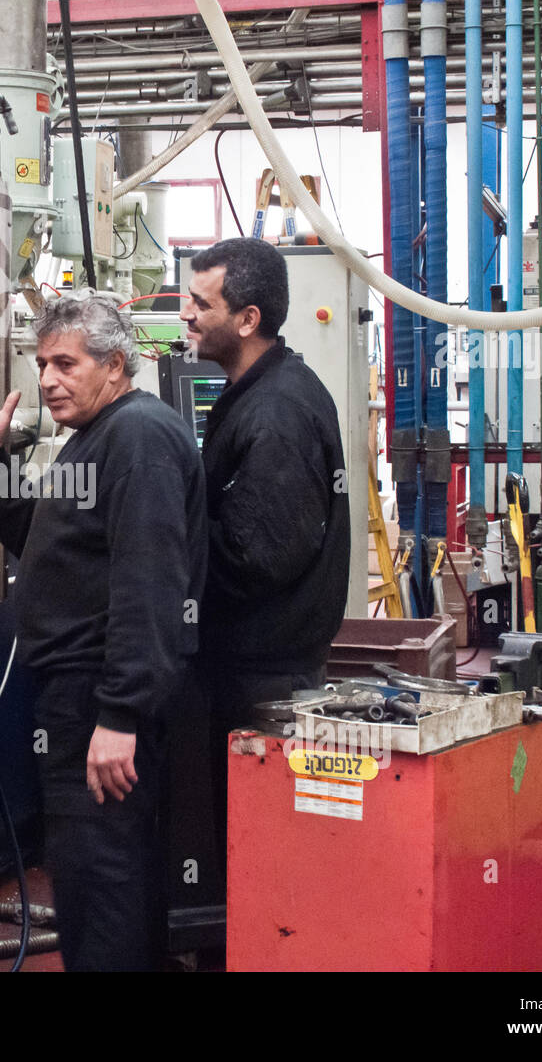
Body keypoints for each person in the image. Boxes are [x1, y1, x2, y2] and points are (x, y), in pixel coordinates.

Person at [0, 290, 206, 971]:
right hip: (82, 697)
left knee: (104, 880)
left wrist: (119, 713)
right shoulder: (98, 438)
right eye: (41, 363)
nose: (46, 379)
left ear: (116, 364)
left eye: (65, 363)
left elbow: (148, 583)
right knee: (95, 872)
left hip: (100, 700)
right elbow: (37, 537)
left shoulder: (139, 437)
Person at [179, 238, 350, 857]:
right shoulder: (255, 392)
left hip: (263, 673)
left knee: (261, 843)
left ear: (248, 319)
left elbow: (260, 557)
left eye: (201, 304)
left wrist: (170, 555)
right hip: (255, 662)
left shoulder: (277, 410)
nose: (186, 315)